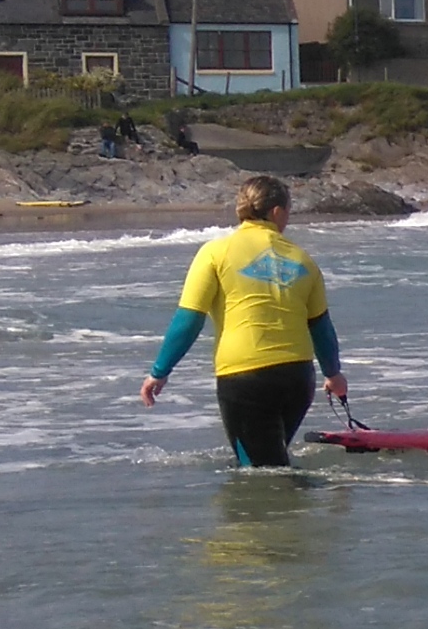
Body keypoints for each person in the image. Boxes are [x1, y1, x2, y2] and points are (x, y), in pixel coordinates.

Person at [139, 175, 349, 468]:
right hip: (298, 379)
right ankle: (298, 509)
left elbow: (189, 319)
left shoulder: (215, 252)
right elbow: (321, 327)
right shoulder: (303, 260)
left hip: (246, 378)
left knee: (260, 472)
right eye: (289, 211)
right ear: (276, 212)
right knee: (270, 461)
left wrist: (159, 371)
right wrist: (334, 375)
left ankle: (299, 501)